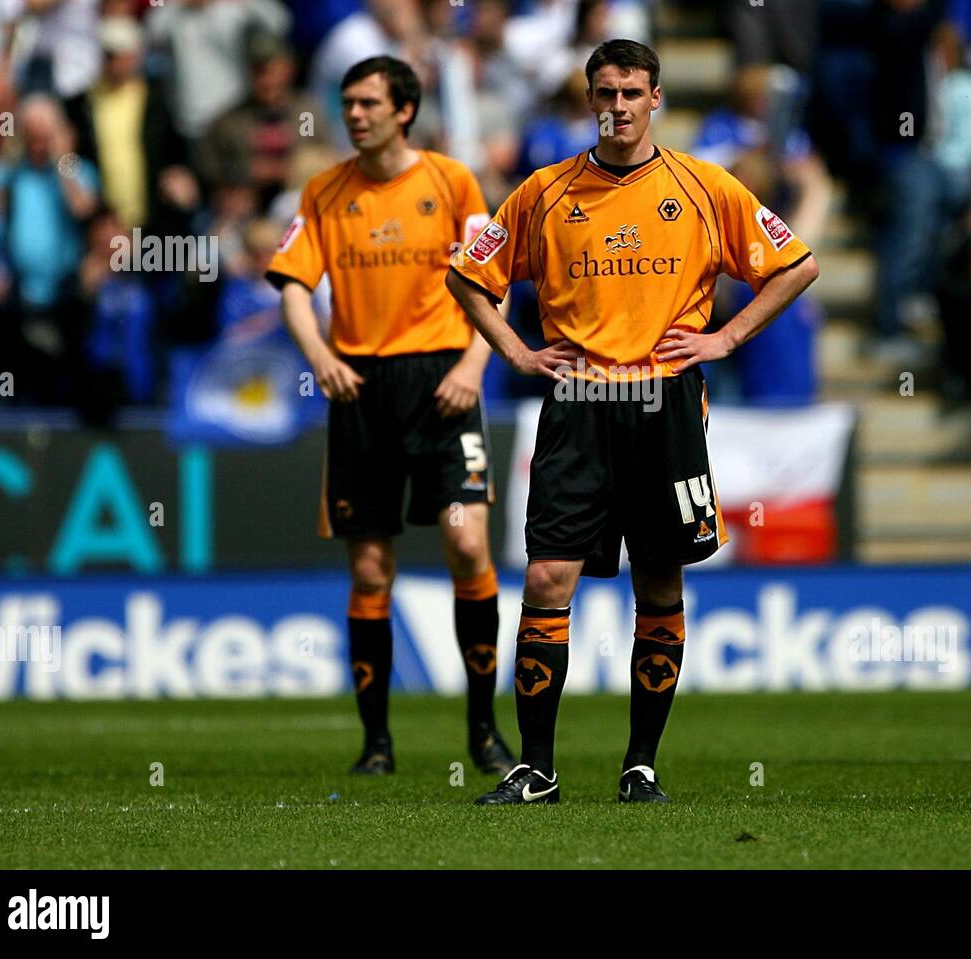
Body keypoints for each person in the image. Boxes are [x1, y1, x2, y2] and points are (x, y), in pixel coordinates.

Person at [447, 39, 819, 804]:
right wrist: (516, 349)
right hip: (577, 402)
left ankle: (640, 763)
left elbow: (796, 264)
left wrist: (727, 335)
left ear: (656, 100)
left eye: (632, 92)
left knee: (659, 578)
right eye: (605, 92)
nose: (618, 106)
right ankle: (537, 769)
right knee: (550, 575)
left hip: (667, 401)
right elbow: (467, 276)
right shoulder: (545, 192)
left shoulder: (704, 185)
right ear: (589, 99)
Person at [266, 55, 515, 777]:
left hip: (444, 378)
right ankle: (377, 742)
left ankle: (484, 730)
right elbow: (290, 285)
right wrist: (319, 356)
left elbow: (486, 280)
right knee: (371, 566)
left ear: (404, 109)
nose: (356, 114)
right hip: (360, 388)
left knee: (468, 544)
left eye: (370, 102)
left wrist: (475, 363)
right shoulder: (324, 190)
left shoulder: (451, 180)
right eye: (348, 102)